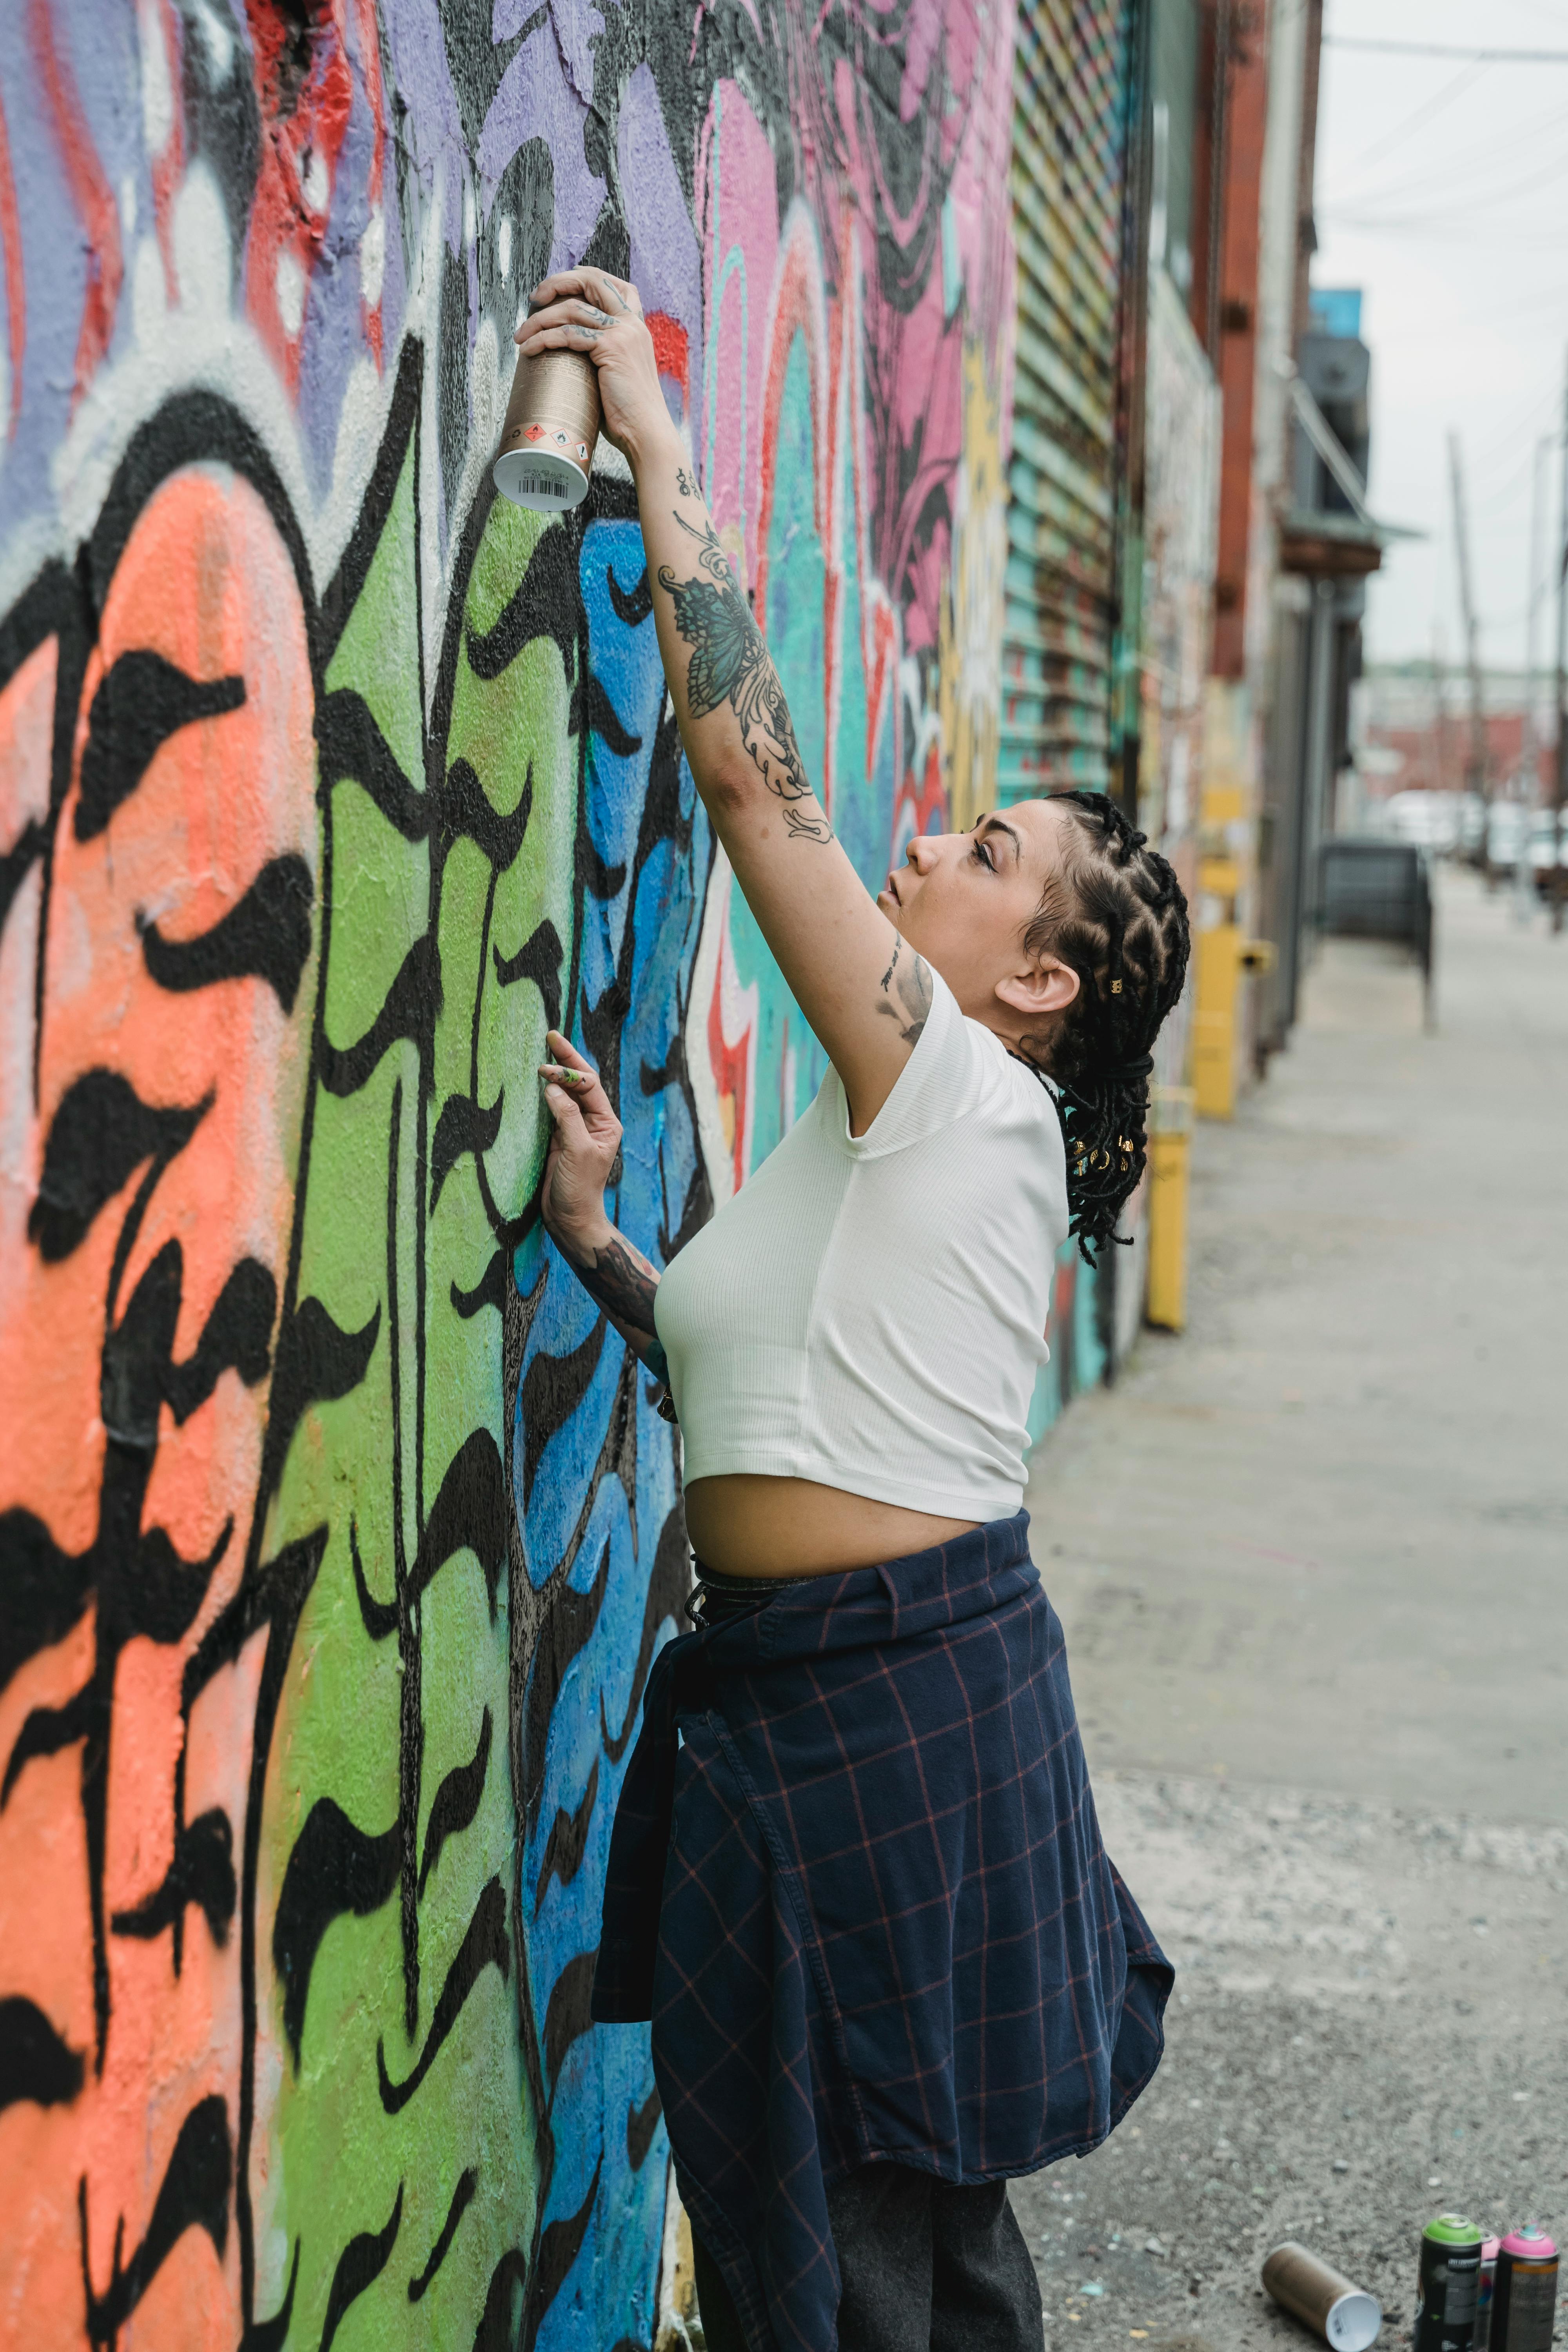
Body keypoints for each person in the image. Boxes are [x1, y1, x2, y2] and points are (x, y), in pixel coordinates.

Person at [518, 269, 1189, 2352]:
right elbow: (780, 1397)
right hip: (825, 1724)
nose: (933, 841)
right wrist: (606, 1246)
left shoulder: (966, 1094)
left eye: (990, 852)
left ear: (1041, 983)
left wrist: (651, 436)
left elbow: (758, 794)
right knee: (865, 2274)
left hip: (871, 1733)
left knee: (869, 2286)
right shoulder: (908, 1144)